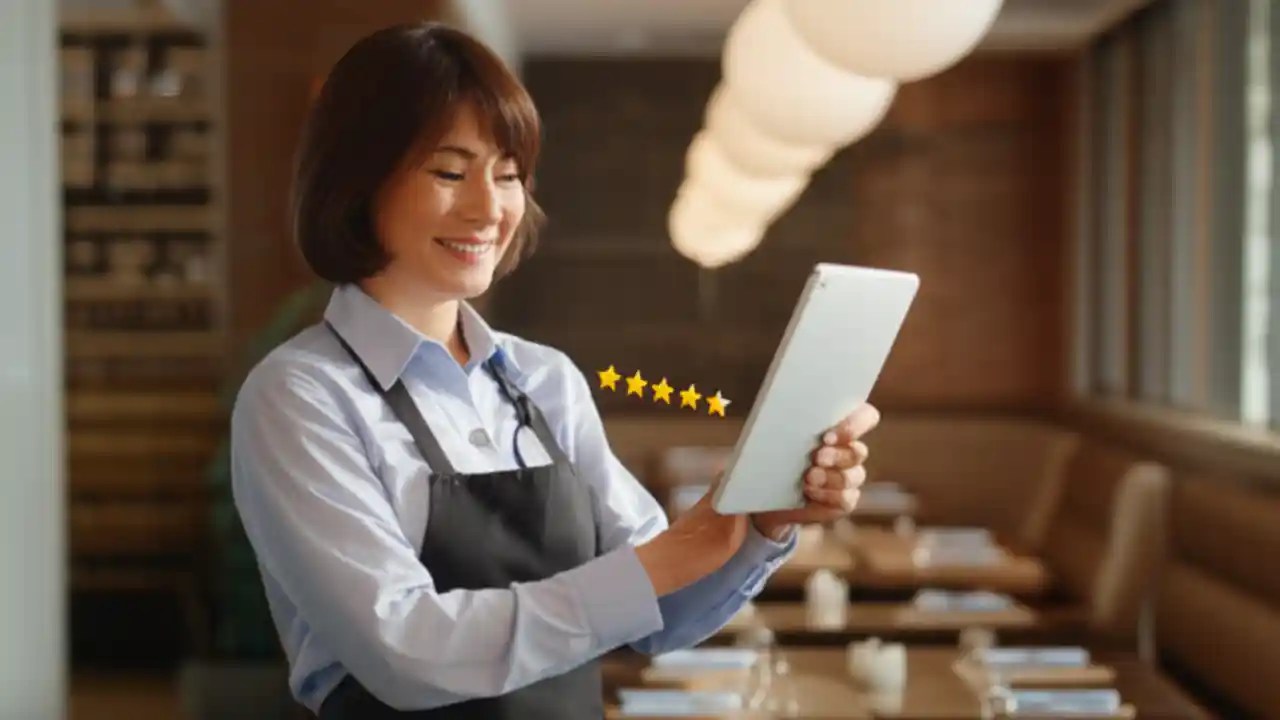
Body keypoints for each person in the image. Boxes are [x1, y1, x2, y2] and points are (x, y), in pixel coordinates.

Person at [230, 20, 877, 720]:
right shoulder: (300, 396)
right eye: (450, 172)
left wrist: (760, 526)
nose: (489, 208)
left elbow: (654, 617)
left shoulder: (543, 380)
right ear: (356, 180)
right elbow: (407, 653)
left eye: (508, 176)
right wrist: (671, 553)